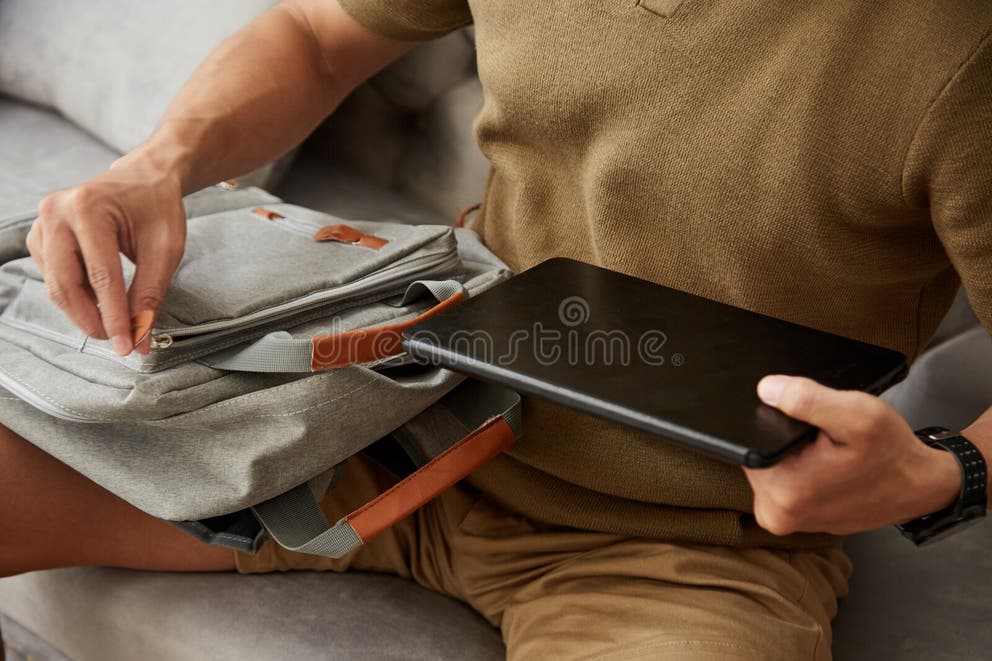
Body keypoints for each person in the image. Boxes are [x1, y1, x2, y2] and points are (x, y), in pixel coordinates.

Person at [1, 1, 990, 658]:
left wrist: (945, 471)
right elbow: (315, 35)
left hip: (684, 545)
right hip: (374, 414)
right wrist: (157, 162)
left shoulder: (951, 50)